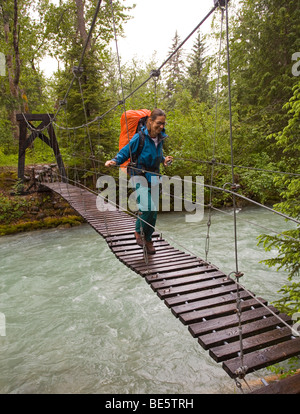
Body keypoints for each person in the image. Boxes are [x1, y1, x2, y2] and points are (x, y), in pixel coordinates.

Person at [105, 108, 173, 254]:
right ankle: (138, 232)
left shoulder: (160, 138)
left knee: (153, 211)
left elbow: (155, 155)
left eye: (163, 124)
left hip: (154, 176)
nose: (161, 126)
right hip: (139, 175)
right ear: (150, 121)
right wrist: (114, 160)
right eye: (159, 123)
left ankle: (148, 238)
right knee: (147, 207)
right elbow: (126, 151)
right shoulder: (139, 137)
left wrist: (164, 159)